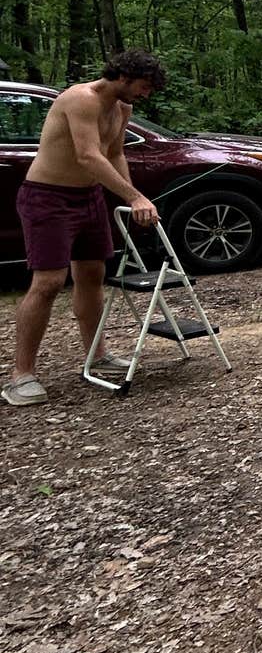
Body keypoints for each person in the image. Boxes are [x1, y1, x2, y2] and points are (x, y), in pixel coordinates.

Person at [4, 49, 164, 407]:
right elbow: (88, 155)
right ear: (123, 75)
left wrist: (130, 199)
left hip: (88, 198)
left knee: (93, 275)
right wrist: (136, 197)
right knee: (47, 282)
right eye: (143, 86)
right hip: (47, 197)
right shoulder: (81, 98)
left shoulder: (123, 109)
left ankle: (97, 355)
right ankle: (21, 375)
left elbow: (114, 154)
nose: (145, 94)